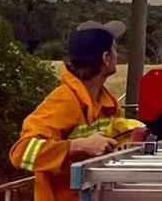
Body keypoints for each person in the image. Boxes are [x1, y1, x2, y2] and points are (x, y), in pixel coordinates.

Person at [9, 21, 127, 201]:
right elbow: (21, 152)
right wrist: (79, 146)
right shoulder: (64, 101)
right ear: (106, 58)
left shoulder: (108, 103)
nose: (118, 55)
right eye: (114, 50)